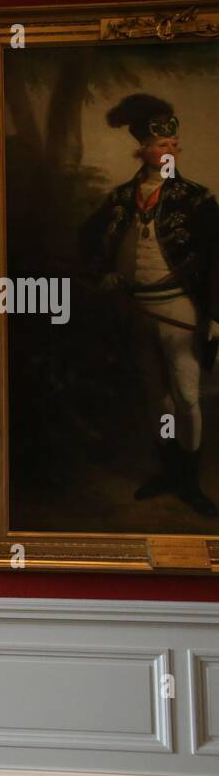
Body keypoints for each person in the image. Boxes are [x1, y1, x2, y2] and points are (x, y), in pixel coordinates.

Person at [80, 94, 219, 515]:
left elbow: (218, 258)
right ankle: (167, 469)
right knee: (155, 396)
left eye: (176, 144)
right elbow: (88, 239)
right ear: (142, 150)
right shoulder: (122, 198)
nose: (171, 151)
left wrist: (214, 313)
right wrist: (101, 272)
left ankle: (189, 480)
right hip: (136, 311)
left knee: (187, 396)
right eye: (163, 146)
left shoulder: (196, 199)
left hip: (179, 311)